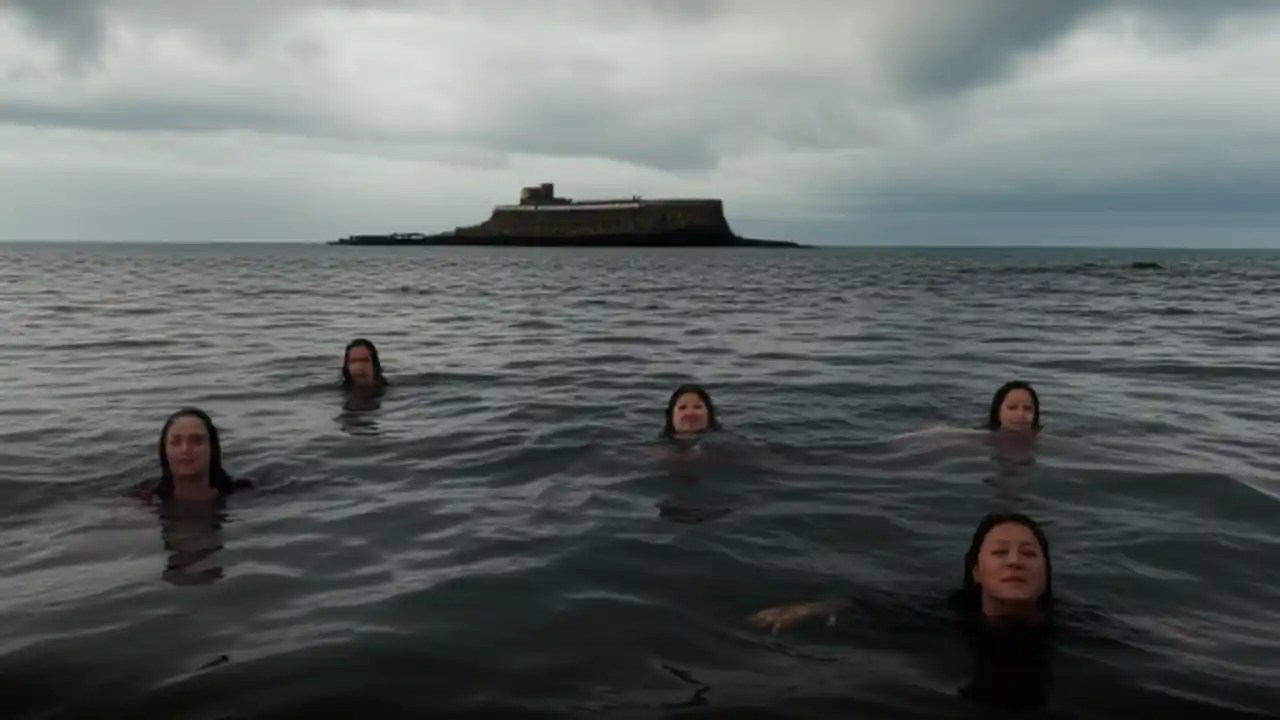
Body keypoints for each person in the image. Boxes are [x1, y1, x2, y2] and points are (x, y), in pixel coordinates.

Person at [144, 408, 250, 503]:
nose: (185, 449)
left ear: (212, 448)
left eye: (196, 441)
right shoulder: (146, 500)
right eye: (176, 442)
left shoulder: (244, 497)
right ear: (164, 450)